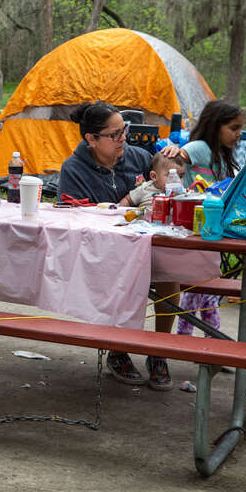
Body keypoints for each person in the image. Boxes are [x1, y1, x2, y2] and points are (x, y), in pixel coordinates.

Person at [56, 101, 176, 390]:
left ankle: (159, 350)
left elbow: (168, 178)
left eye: (125, 131)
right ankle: (118, 349)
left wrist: (174, 155)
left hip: (147, 244)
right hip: (103, 251)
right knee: (116, 276)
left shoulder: (139, 157)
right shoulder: (73, 169)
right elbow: (70, 218)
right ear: (91, 139)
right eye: (116, 135)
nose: (124, 139)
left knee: (171, 274)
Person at [158, 101, 245, 340]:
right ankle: (193, 340)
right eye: (233, 128)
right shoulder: (200, 147)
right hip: (191, 229)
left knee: (206, 292)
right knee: (201, 290)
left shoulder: (221, 155)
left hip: (207, 228)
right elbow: (178, 160)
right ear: (216, 126)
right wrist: (174, 152)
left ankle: (205, 340)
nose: (238, 135)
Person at [160, 100, 244, 187]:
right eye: (234, 128)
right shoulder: (200, 147)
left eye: (240, 128)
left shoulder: (221, 152)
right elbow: (171, 160)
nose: (240, 133)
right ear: (214, 127)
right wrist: (174, 150)